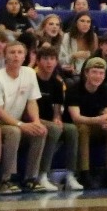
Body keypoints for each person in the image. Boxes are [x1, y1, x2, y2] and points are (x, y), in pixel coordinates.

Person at [0, 39, 50, 193]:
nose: (16, 56)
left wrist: (35, 122)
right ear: (5, 56)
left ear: (25, 56)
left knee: (40, 130)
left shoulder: (29, 73)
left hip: (19, 119)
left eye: (20, 52)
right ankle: (6, 180)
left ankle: (31, 178)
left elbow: (32, 102)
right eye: (12, 52)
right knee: (14, 132)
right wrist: (21, 125)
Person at [65, 56, 107, 188]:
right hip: (78, 125)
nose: (98, 76)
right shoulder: (74, 89)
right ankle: (84, 173)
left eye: (101, 73)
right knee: (83, 128)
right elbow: (76, 117)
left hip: (97, 125)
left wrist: (105, 120)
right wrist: (98, 120)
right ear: (86, 73)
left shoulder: (106, 90)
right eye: (94, 72)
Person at [32, 48, 76, 190]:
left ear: (56, 62)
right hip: (32, 118)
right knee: (54, 129)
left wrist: (57, 118)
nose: (49, 62)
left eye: (52, 59)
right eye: (45, 59)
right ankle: (43, 175)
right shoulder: (32, 79)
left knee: (72, 129)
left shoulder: (57, 82)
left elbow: (57, 108)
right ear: (38, 61)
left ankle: (70, 175)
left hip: (48, 119)